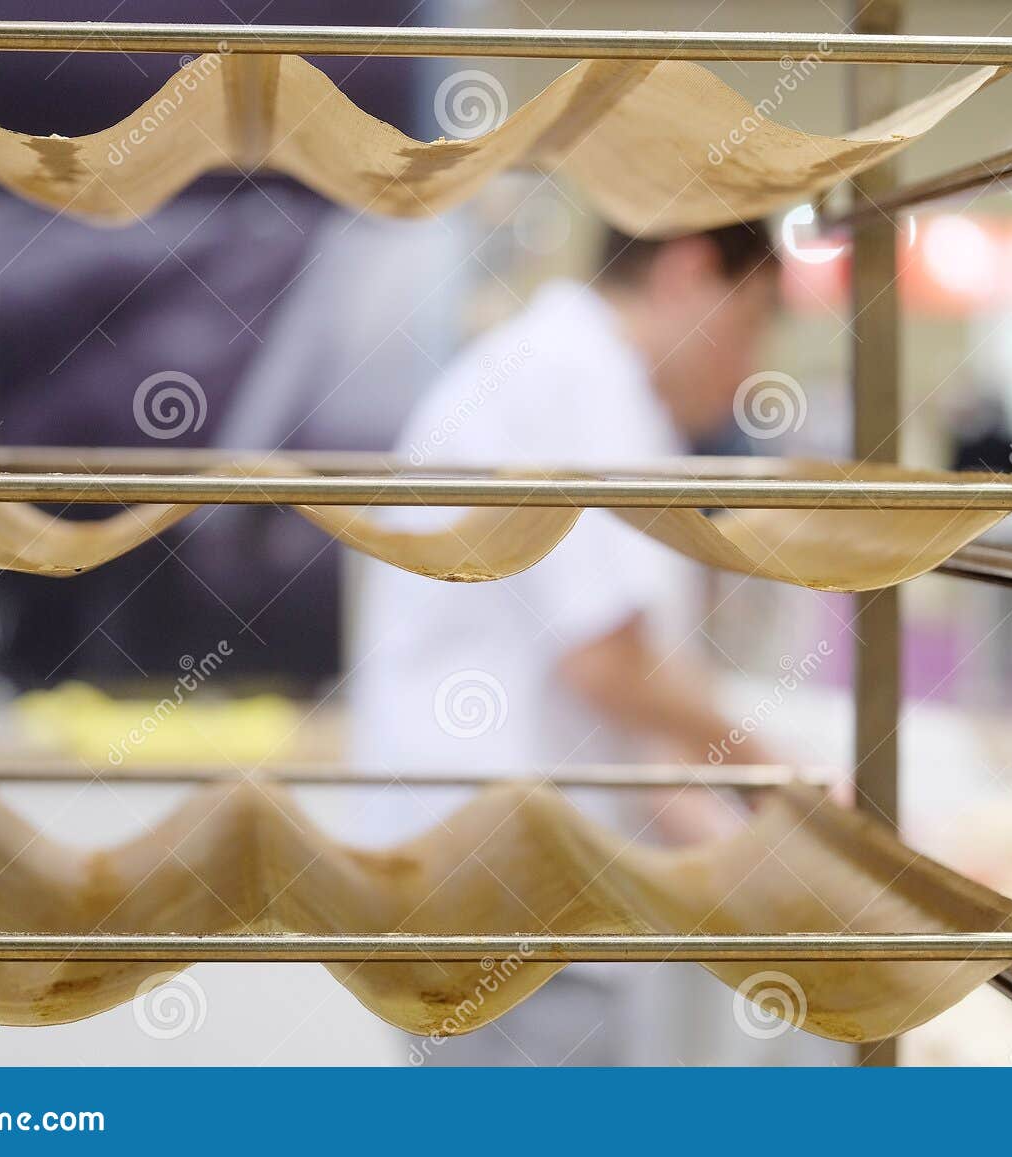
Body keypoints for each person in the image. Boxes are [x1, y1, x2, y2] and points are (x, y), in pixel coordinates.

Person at [349, 222, 797, 1065]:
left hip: (508, 901)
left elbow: (626, 723)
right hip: (495, 911)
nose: (748, 367)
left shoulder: (597, 388)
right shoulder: (571, 374)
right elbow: (608, 665)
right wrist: (773, 777)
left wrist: (751, 857)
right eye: (753, 320)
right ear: (688, 268)